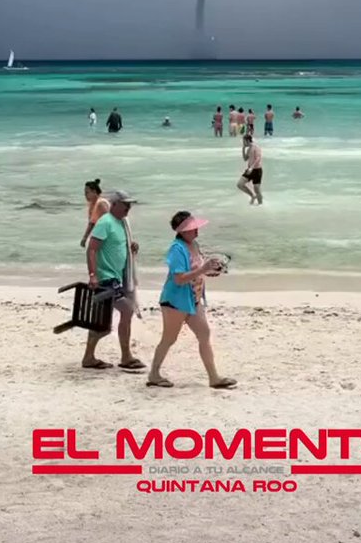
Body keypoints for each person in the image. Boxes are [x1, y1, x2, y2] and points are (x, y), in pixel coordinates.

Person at [146, 211, 236, 389]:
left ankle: (214, 377)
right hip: (175, 302)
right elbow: (179, 279)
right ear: (182, 231)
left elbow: (198, 270)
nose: (196, 231)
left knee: (204, 334)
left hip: (193, 299)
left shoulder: (194, 244)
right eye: (192, 229)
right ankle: (154, 374)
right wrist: (203, 270)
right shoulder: (176, 249)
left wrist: (211, 270)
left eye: (196, 228)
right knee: (169, 339)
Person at [83, 190, 145, 371]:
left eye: (130, 205)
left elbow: (118, 246)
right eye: (126, 204)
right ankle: (123, 356)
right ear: (115, 204)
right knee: (124, 312)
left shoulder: (121, 223)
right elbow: (92, 249)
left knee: (106, 320)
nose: (129, 208)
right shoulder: (105, 222)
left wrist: (131, 247)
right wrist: (93, 275)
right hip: (106, 278)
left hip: (117, 278)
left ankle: (107, 356)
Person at [81, 178, 108, 248]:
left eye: (87, 193)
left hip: (106, 237)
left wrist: (85, 238)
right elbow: (91, 222)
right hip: (100, 236)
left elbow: (108, 222)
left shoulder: (101, 204)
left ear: (94, 192)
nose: (85, 195)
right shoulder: (92, 204)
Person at [238, 133, 263, 205]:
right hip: (250, 170)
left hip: (257, 170)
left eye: (244, 141)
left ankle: (260, 205)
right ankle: (252, 196)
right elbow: (245, 159)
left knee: (257, 189)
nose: (243, 143)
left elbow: (258, 158)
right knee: (240, 184)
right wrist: (243, 149)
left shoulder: (256, 147)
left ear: (247, 140)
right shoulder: (249, 149)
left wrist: (252, 167)